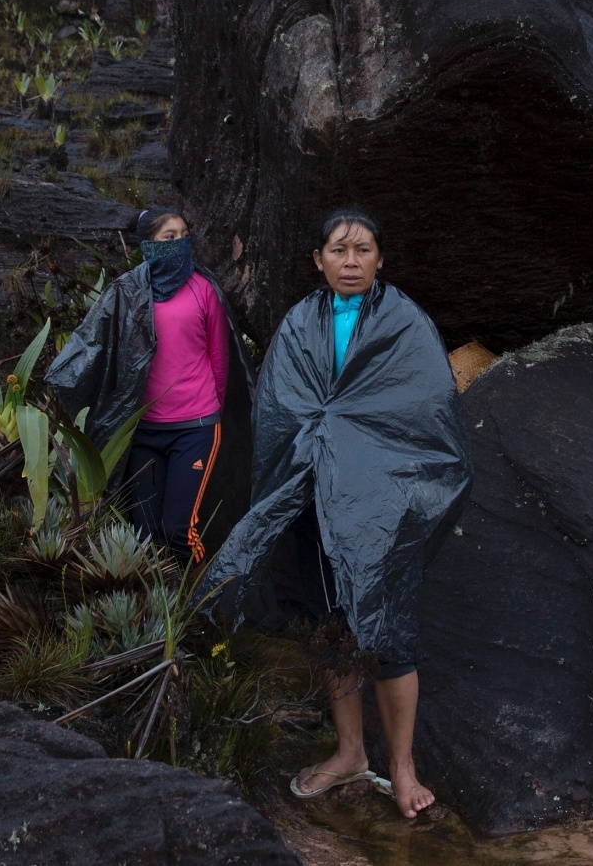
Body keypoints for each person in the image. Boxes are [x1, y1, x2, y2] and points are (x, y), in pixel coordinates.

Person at [199, 208, 470, 819]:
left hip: (386, 511)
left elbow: (426, 417)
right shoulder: (299, 327)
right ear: (317, 260)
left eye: (363, 250)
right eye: (339, 250)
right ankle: (350, 751)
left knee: (392, 632)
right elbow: (279, 411)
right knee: (333, 628)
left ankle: (402, 768)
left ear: (381, 260)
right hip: (319, 505)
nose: (351, 262)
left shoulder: (406, 326)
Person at [45, 208, 253, 564]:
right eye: (168, 238)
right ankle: (157, 605)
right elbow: (99, 347)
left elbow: (220, 360)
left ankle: (191, 604)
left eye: (184, 235)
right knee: (144, 530)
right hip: (142, 432)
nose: (180, 243)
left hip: (195, 427)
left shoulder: (203, 289)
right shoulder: (126, 292)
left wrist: (209, 415)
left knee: (179, 529)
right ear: (148, 245)